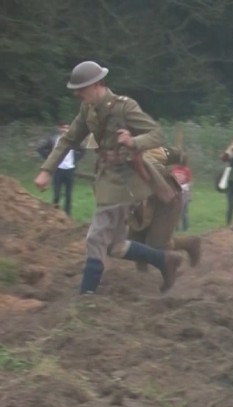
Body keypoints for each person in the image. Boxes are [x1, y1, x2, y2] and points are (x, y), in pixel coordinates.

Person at [34, 61, 182, 294]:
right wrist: (47, 170)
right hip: (106, 177)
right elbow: (68, 139)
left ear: (97, 84)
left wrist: (134, 142)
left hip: (125, 180)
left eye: (82, 88)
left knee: (96, 237)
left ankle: (86, 299)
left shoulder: (124, 107)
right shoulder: (88, 109)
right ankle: (165, 261)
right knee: (115, 246)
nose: (77, 93)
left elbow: (157, 134)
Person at [36, 123, 84, 216]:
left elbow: (82, 150)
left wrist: (76, 159)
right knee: (57, 194)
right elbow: (41, 149)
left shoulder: (74, 140)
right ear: (59, 129)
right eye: (63, 127)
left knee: (68, 195)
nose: (65, 129)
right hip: (58, 169)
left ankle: (67, 216)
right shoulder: (53, 139)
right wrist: (49, 160)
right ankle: (55, 215)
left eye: (67, 127)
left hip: (70, 169)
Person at [171, 154, 193, 231]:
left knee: (184, 210)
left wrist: (189, 194)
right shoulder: (174, 169)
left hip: (184, 191)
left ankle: (185, 227)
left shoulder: (186, 170)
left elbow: (189, 182)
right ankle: (176, 227)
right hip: (175, 191)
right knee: (175, 210)